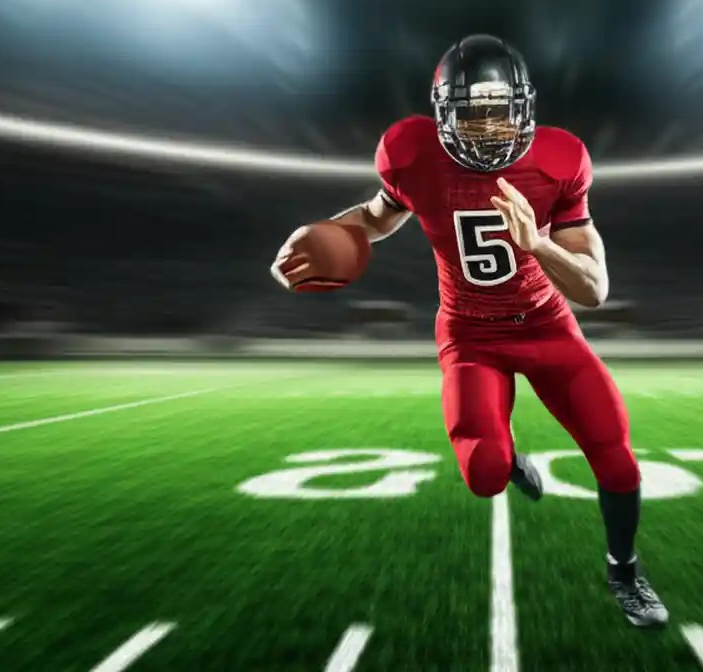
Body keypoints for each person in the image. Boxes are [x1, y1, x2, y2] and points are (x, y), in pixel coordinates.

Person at [273, 34, 668, 626]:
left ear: (524, 106)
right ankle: (507, 457)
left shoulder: (560, 161)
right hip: (469, 333)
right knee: (484, 472)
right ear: (442, 116)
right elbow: (377, 219)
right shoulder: (411, 154)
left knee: (617, 457)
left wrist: (536, 245)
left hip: (546, 325)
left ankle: (624, 570)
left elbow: (594, 289)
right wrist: (322, 236)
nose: (488, 127)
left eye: (500, 109)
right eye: (472, 112)